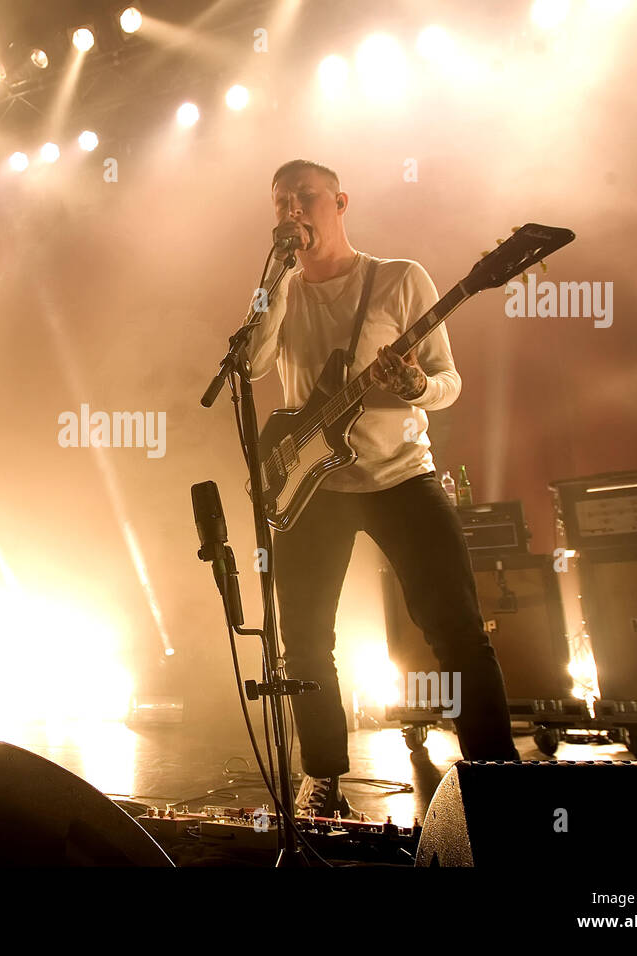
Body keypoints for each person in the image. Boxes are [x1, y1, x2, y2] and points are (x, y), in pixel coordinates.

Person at [245, 160, 519, 818]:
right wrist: (274, 284)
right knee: (305, 641)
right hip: (312, 486)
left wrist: (416, 385)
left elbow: (448, 381)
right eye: (281, 202)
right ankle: (322, 776)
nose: (293, 210)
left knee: (456, 629)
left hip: (401, 474)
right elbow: (250, 365)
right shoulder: (280, 290)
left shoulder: (399, 278)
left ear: (340, 202)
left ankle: (496, 774)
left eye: (306, 197)